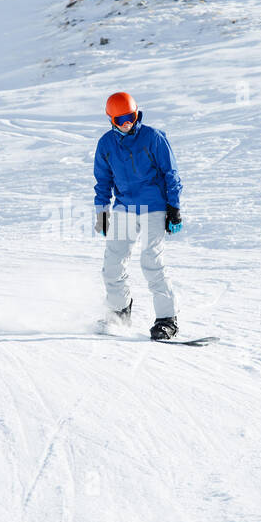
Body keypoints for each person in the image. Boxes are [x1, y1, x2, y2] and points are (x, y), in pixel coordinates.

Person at [93, 92, 184, 341]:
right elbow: (103, 181)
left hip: (154, 206)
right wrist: (102, 212)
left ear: (136, 114)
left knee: (151, 260)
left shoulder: (153, 137)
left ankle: (167, 320)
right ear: (111, 119)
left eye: (130, 117)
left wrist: (173, 208)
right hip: (124, 206)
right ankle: (119, 312)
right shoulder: (106, 144)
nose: (126, 123)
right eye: (120, 118)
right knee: (113, 263)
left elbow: (171, 173)